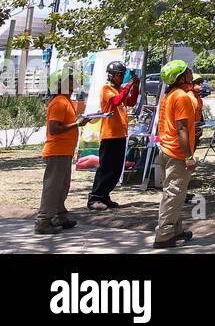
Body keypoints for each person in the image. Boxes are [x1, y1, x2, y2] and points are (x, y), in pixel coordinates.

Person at [35, 70, 90, 235]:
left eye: (73, 83)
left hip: (64, 151)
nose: (73, 86)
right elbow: (54, 129)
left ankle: (59, 216)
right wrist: (77, 125)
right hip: (57, 151)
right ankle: (43, 221)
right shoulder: (59, 102)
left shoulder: (65, 102)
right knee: (53, 187)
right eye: (69, 83)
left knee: (62, 186)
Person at [154, 60, 198, 248]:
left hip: (166, 149)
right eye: (187, 71)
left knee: (176, 194)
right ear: (180, 77)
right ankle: (164, 235)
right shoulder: (181, 96)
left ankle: (176, 230)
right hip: (177, 153)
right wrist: (188, 156)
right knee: (174, 194)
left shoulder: (169, 94)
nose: (191, 72)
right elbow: (181, 128)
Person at [88, 60, 139, 210]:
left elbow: (130, 102)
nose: (121, 77)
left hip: (120, 134)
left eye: (123, 75)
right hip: (110, 135)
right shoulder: (107, 89)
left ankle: (105, 196)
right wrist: (128, 86)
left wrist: (135, 87)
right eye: (119, 75)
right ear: (111, 76)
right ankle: (95, 198)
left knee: (116, 170)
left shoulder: (120, 89)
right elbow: (116, 102)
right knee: (106, 168)